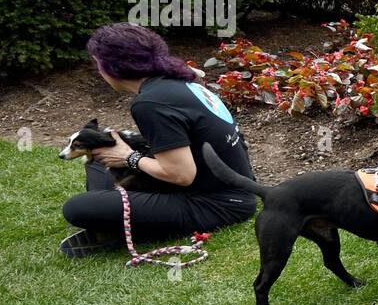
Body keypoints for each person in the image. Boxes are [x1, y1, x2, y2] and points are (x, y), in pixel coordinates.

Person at [60, 23, 257, 256]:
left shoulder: (151, 103)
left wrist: (129, 157)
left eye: (98, 63)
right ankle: (118, 215)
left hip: (217, 204)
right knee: (98, 156)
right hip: (236, 190)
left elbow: (181, 175)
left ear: (112, 66)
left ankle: (123, 226)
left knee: (77, 208)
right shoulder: (176, 81)